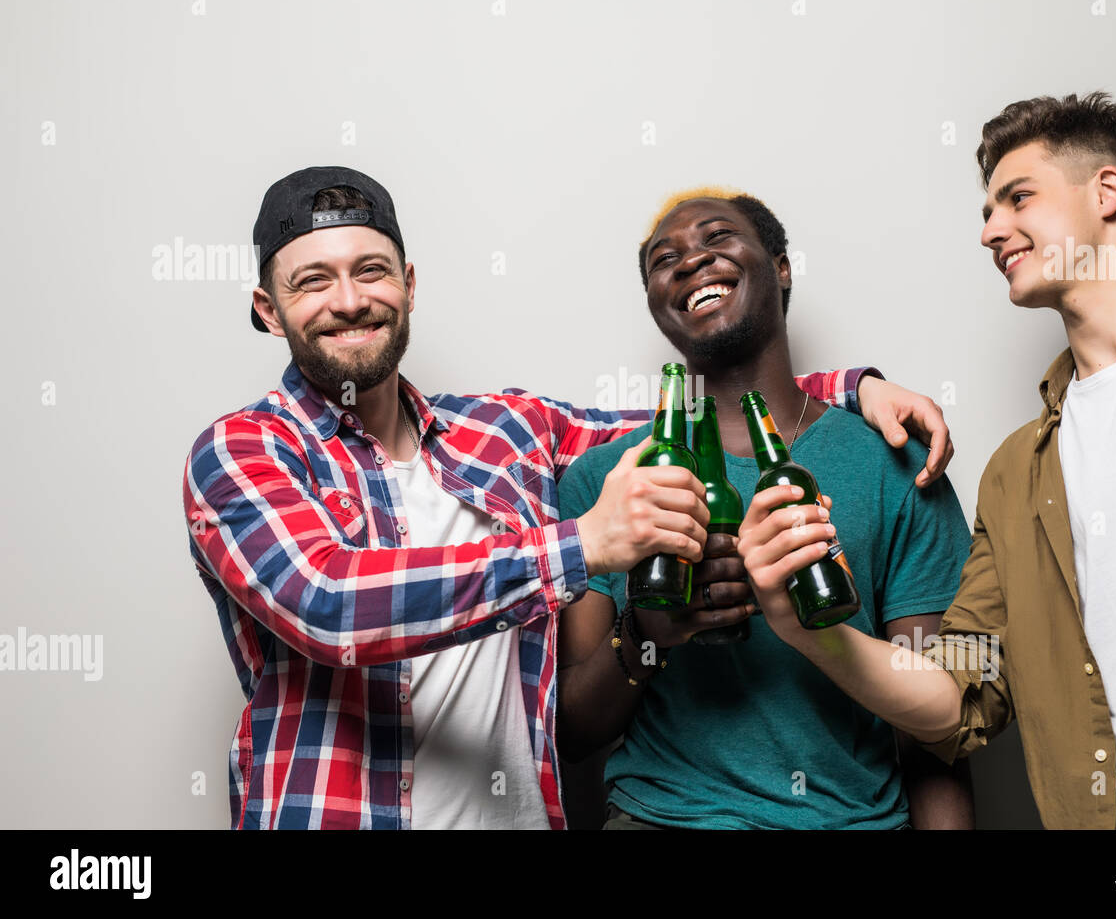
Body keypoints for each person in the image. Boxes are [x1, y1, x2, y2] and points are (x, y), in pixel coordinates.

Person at [181, 165, 956, 829]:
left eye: (371, 270)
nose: (349, 300)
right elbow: (330, 602)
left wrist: (852, 390)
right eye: (312, 281)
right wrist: (584, 545)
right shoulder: (243, 452)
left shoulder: (506, 431)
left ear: (409, 287)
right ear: (265, 307)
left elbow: (711, 409)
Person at [737, 93, 1116, 829]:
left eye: (1017, 198)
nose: (990, 231)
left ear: (1107, 192)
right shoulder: (1015, 477)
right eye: (985, 212)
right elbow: (959, 696)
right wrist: (805, 628)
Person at [556, 189, 975, 829]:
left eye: (718, 237)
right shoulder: (608, 481)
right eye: (665, 259)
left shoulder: (896, 462)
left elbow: (939, 726)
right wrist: (649, 633)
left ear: (781, 266)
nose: (691, 260)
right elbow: (574, 731)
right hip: (664, 819)